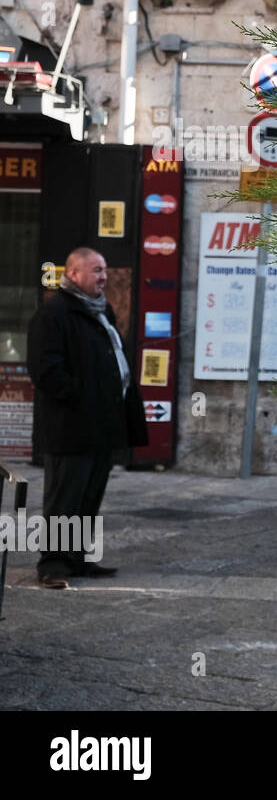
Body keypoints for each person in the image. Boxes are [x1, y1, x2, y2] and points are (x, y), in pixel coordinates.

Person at [26, 247, 147, 589]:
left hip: (102, 425)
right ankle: (53, 565)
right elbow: (46, 372)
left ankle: (78, 559)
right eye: (96, 270)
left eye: (105, 269)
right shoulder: (55, 314)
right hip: (71, 427)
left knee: (89, 497)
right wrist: (82, 397)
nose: (104, 276)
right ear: (74, 274)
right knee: (64, 499)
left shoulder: (100, 310)